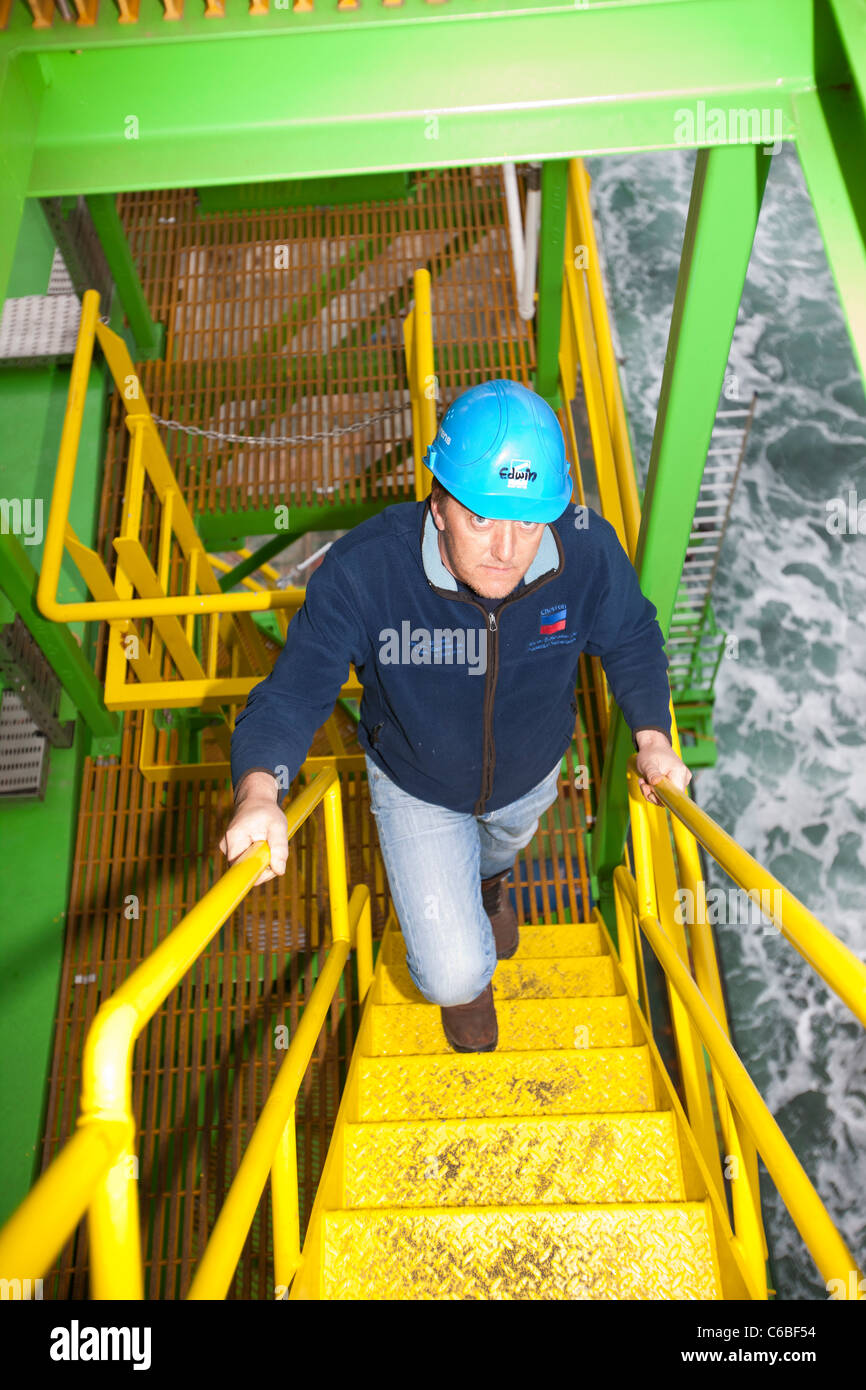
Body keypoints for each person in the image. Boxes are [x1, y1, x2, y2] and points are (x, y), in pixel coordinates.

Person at [221, 379, 691, 1052]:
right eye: (480, 518)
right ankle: (466, 987)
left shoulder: (586, 553)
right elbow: (293, 692)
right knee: (449, 971)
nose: (506, 548)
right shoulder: (366, 573)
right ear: (438, 504)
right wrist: (260, 792)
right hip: (416, 783)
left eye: (528, 522)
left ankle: (491, 886)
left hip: (530, 772)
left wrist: (652, 736)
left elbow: (633, 636)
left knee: (499, 849)